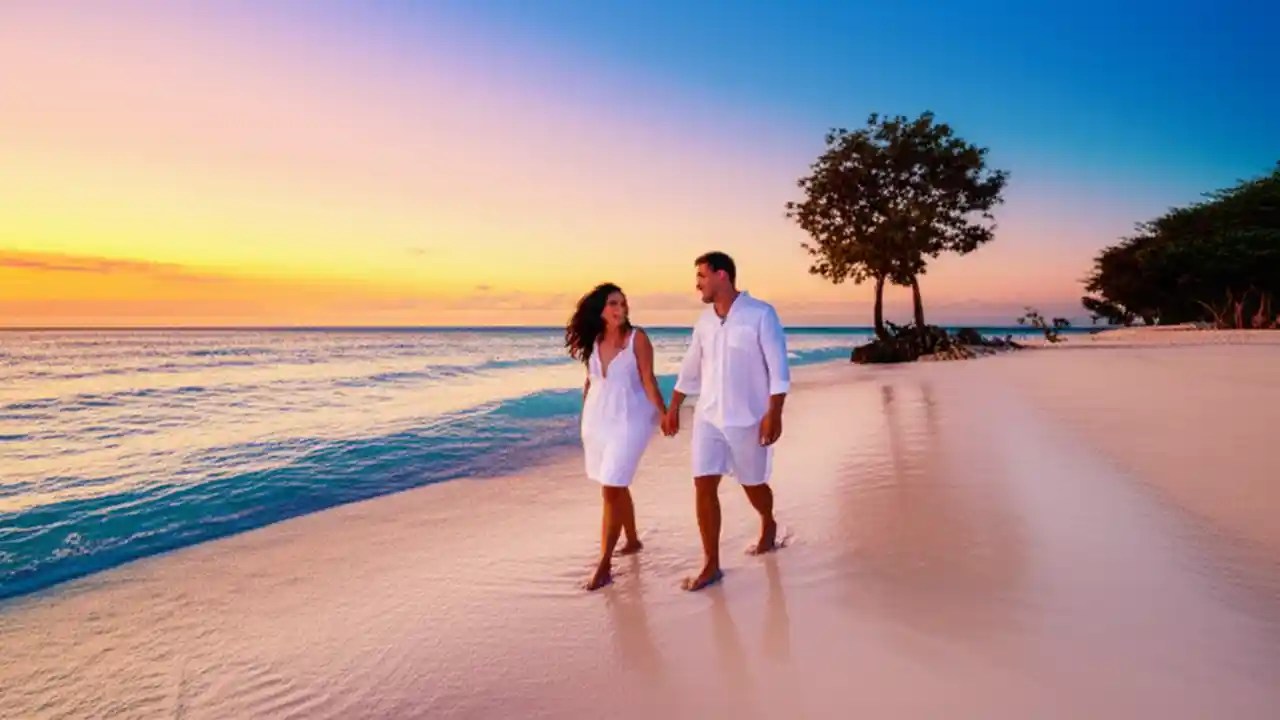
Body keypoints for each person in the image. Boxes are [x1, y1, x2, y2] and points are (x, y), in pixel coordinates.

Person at [663, 252, 791, 591]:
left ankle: (767, 521)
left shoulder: (761, 314)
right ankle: (711, 565)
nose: (697, 284)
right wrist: (674, 406)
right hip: (708, 416)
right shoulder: (704, 321)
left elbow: (778, 368)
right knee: (703, 484)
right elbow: (691, 367)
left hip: (747, 417)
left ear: (722, 275)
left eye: (702, 276)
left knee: (752, 483)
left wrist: (773, 413)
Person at [566, 283, 668, 591]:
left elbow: (648, 380)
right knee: (614, 483)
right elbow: (590, 381)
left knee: (612, 486)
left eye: (623, 303)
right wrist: (584, 418)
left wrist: (664, 414)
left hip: (631, 417)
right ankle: (633, 540)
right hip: (598, 420)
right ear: (600, 309)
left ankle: (604, 564)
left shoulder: (638, 339)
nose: (620, 308)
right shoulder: (595, 341)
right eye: (613, 303)